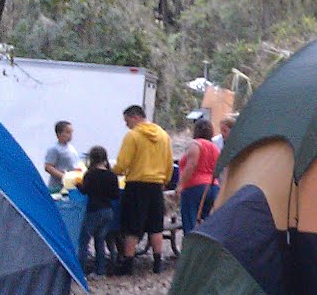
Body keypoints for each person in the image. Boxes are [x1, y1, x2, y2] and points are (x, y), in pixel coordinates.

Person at [112, 104, 173, 275]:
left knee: (132, 224)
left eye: (127, 121)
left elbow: (123, 163)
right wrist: (165, 180)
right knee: (155, 225)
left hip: (137, 185)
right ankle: (158, 262)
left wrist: (114, 171)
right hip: (156, 185)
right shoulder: (163, 135)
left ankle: (128, 263)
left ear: (135, 117)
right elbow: (169, 163)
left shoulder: (133, 136)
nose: (126, 125)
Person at [77, 146, 120, 276]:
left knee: (84, 241)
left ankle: (80, 270)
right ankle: (100, 271)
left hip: (94, 210)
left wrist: (78, 185)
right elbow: (115, 195)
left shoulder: (90, 174)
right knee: (100, 241)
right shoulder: (112, 175)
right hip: (108, 211)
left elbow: (85, 191)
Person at [175, 118, 220, 235]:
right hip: (212, 186)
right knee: (208, 221)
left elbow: (191, 165)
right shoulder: (215, 147)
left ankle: (190, 249)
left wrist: (180, 185)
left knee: (190, 220)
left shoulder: (196, 144)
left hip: (194, 186)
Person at [43, 120, 83, 193]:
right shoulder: (54, 149)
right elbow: (48, 167)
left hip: (72, 186)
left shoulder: (71, 148)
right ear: (59, 134)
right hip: (58, 187)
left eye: (71, 132)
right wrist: (64, 177)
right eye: (68, 132)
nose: (70, 135)